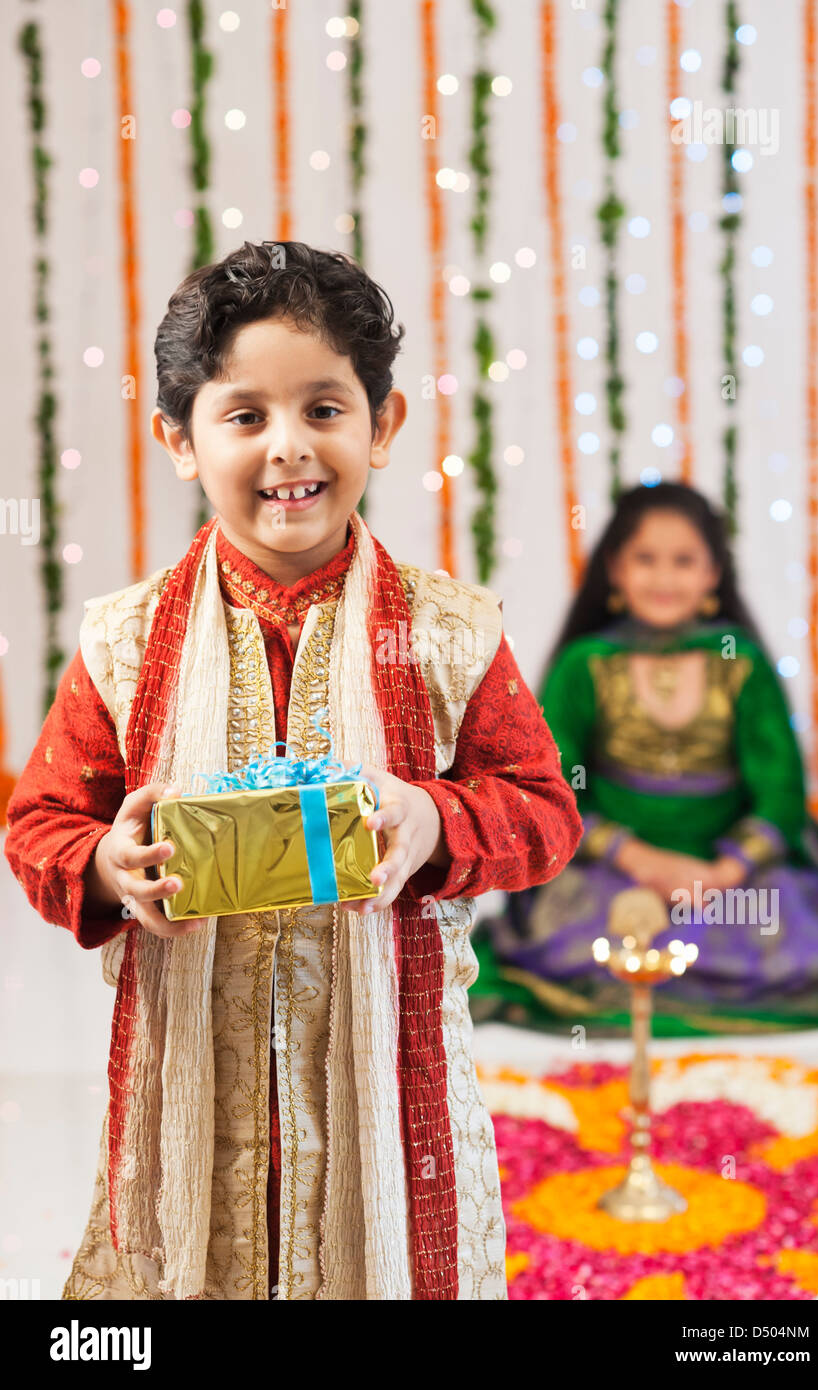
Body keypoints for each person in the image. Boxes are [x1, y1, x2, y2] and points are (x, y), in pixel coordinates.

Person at [3, 239, 582, 1301]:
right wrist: (108, 865)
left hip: (388, 1089)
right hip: (193, 1090)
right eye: (243, 416)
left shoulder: (447, 632)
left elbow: (545, 810)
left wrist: (433, 820)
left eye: (323, 408)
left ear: (383, 423)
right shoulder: (124, 642)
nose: (287, 448)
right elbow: (40, 821)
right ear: (177, 440)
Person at [474, 483, 818, 1035]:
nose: (663, 577)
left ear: (713, 575)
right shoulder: (586, 665)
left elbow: (782, 794)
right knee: (582, 945)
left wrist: (722, 873)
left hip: (729, 874)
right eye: (646, 559)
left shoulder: (739, 662)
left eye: (683, 561)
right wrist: (644, 863)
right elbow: (554, 785)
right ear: (615, 569)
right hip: (612, 868)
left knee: (787, 942)